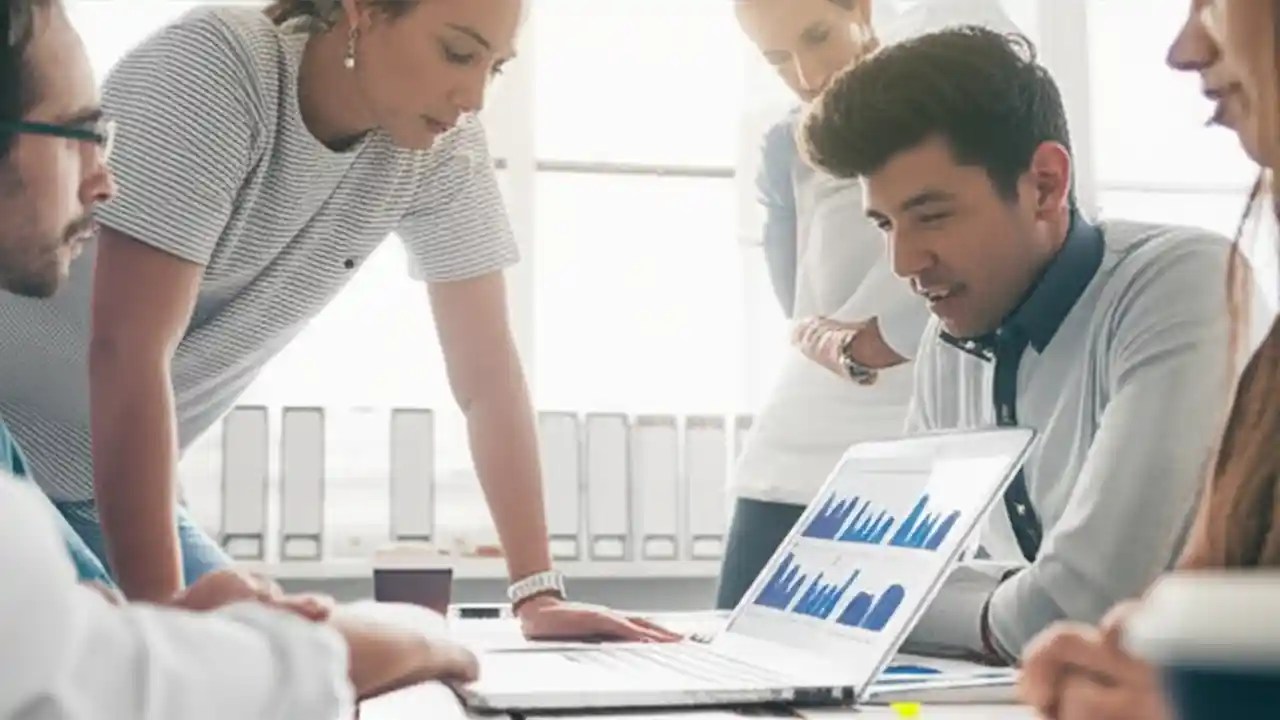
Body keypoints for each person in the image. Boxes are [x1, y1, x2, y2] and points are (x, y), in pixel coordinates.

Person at [0, 0, 675, 641]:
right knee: (163, 675)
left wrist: (538, 593)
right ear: (364, 10)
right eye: (456, 52)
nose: (472, 97)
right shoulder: (218, 66)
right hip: (10, 454)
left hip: (94, 483)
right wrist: (169, 635)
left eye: (493, 68)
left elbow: (488, 379)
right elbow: (128, 352)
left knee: (288, 661)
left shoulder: (441, 148)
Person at [0, 2, 485, 716]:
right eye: (76, 134)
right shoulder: (221, 66)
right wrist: (427, 636)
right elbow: (184, 684)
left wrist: (173, 623)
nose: (106, 182)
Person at [800, 26, 1234, 663]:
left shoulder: (1184, 283)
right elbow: (873, 579)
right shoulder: (947, 341)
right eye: (886, 223)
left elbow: (1083, 606)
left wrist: (908, 604)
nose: (903, 261)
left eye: (932, 215)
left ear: (1045, 185)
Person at [1020, 1, 1280, 717]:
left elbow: (1069, 592)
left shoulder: (1183, 280)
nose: (1184, 48)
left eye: (1215, 3)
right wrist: (1147, 662)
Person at [719, 0, 1019, 609]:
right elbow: (801, 307)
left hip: (933, 433)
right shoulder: (788, 139)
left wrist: (891, 337)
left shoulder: (949, 52)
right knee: (738, 659)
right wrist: (840, 344)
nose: (805, 74)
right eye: (777, 59)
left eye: (818, 35)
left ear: (860, 8)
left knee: (923, 676)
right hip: (802, 432)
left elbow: (1015, 235)